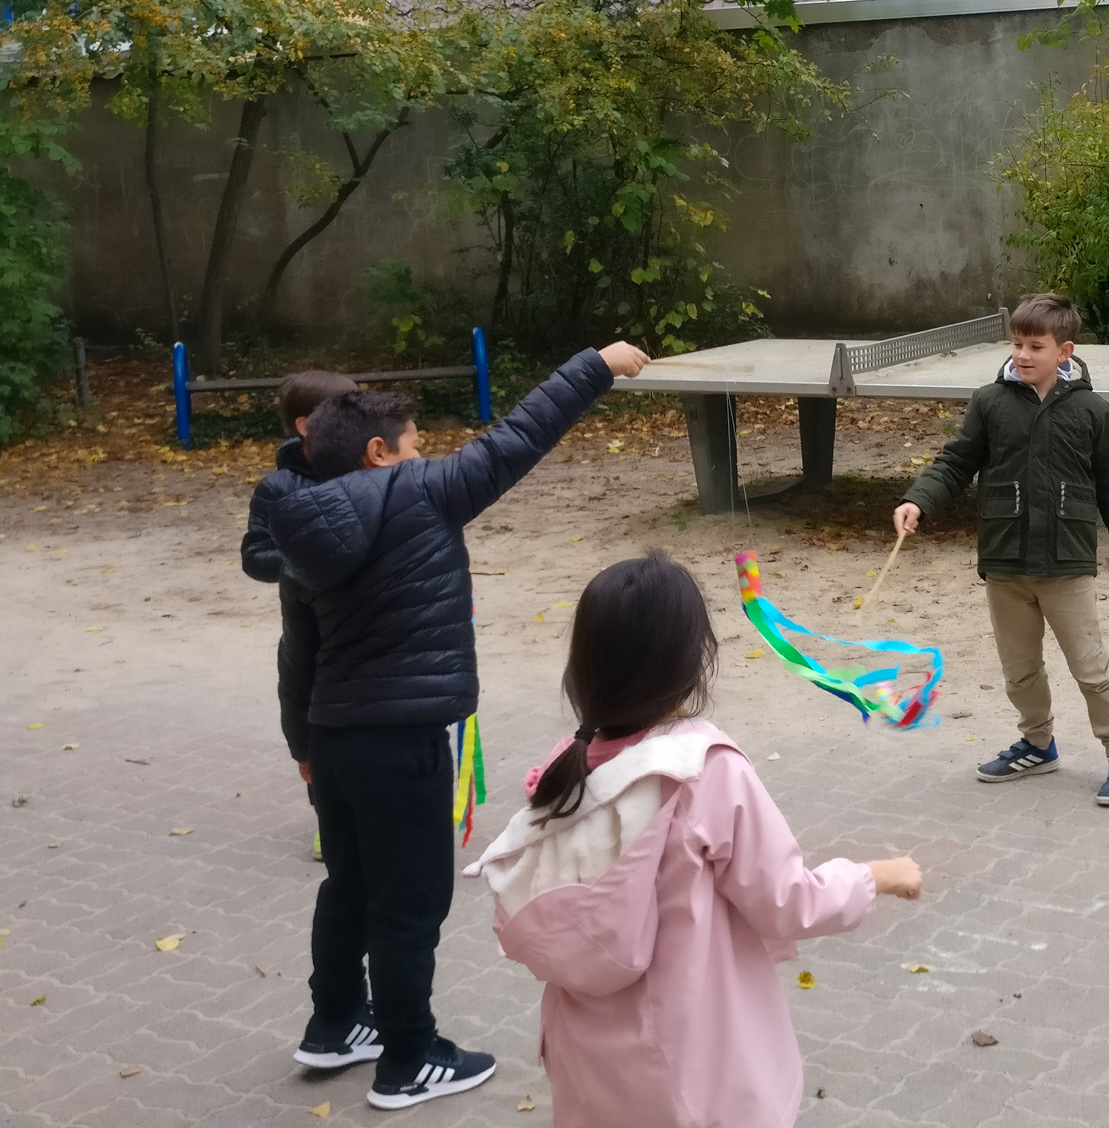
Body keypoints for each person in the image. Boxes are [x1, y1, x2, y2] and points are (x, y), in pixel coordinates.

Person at [269, 340, 650, 1109]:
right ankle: (408, 1058)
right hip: (401, 740)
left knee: (348, 885)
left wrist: (303, 747)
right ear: (379, 454)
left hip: (335, 740)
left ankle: (336, 1022)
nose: (427, 455)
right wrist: (598, 364)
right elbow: (520, 436)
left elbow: (297, 648)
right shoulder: (421, 494)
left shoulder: (300, 523)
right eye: (414, 445)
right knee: (409, 905)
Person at [471, 552, 922, 1128]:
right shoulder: (702, 771)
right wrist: (875, 876)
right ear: (694, 662)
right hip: (696, 1069)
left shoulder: (566, 768)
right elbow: (787, 901)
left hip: (591, 1068)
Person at [893, 292, 1109, 806]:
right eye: (1017, 343)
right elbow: (955, 462)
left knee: (1091, 667)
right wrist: (917, 500)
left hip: (1066, 562)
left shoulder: (1090, 409)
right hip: (1005, 558)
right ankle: (1038, 743)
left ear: (1065, 350)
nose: (1023, 354)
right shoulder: (989, 403)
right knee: (1020, 668)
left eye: (1036, 345)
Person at [242, 371, 360, 872]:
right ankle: (328, 816)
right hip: (308, 632)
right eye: (346, 412)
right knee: (308, 717)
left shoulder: (368, 469)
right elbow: (255, 556)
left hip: (364, 626)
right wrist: (308, 560)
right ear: (305, 427)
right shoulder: (278, 488)